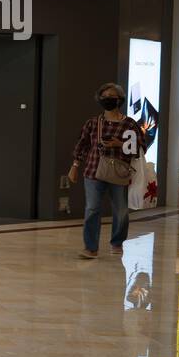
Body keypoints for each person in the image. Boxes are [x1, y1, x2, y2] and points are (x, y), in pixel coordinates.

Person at [69, 81, 143, 259]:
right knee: (92, 209)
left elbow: (140, 147)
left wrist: (120, 144)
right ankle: (90, 248)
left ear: (120, 100)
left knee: (121, 210)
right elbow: (82, 145)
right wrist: (74, 166)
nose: (108, 100)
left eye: (112, 97)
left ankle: (117, 243)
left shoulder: (130, 124)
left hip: (120, 172)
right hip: (94, 171)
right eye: (104, 97)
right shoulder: (93, 123)